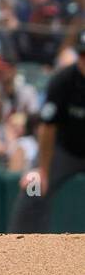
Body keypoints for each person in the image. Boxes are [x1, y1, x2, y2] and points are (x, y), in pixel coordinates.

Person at [9, 32, 85, 231]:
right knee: (33, 186)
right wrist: (42, 169)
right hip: (63, 150)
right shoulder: (63, 80)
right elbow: (48, 128)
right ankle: (21, 245)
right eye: (83, 56)